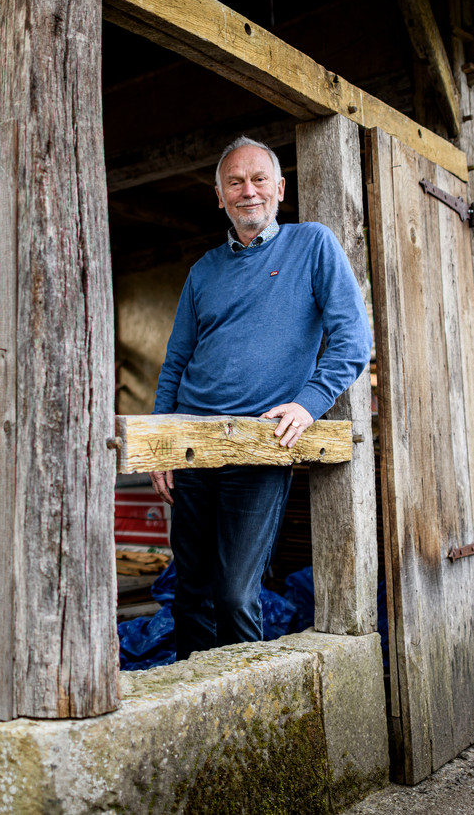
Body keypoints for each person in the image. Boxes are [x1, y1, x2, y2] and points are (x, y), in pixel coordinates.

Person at [150, 136, 371, 660]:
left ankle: (245, 704)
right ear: (220, 197)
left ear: (279, 188)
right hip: (194, 444)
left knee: (236, 593)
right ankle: (191, 702)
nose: (247, 190)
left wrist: (309, 402)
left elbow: (353, 341)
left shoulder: (312, 245)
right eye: (234, 182)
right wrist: (162, 436)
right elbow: (176, 360)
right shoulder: (203, 270)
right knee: (190, 593)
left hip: (258, 443)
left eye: (258, 179)